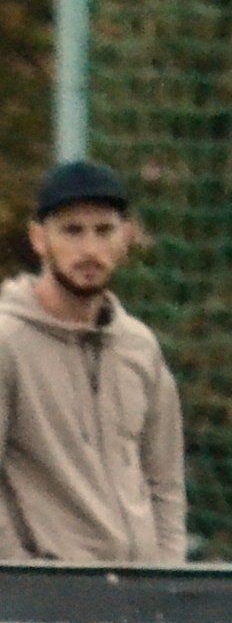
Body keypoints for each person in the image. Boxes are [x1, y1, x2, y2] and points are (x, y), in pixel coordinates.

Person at [0, 159, 187, 564]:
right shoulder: (7, 343)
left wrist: (169, 577)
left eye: (104, 231)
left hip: (138, 599)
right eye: (72, 231)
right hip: (44, 603)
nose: (89, 249)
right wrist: (23, 576)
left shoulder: (139, 347)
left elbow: (165, 481)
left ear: (127, 236)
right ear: (38, 238)